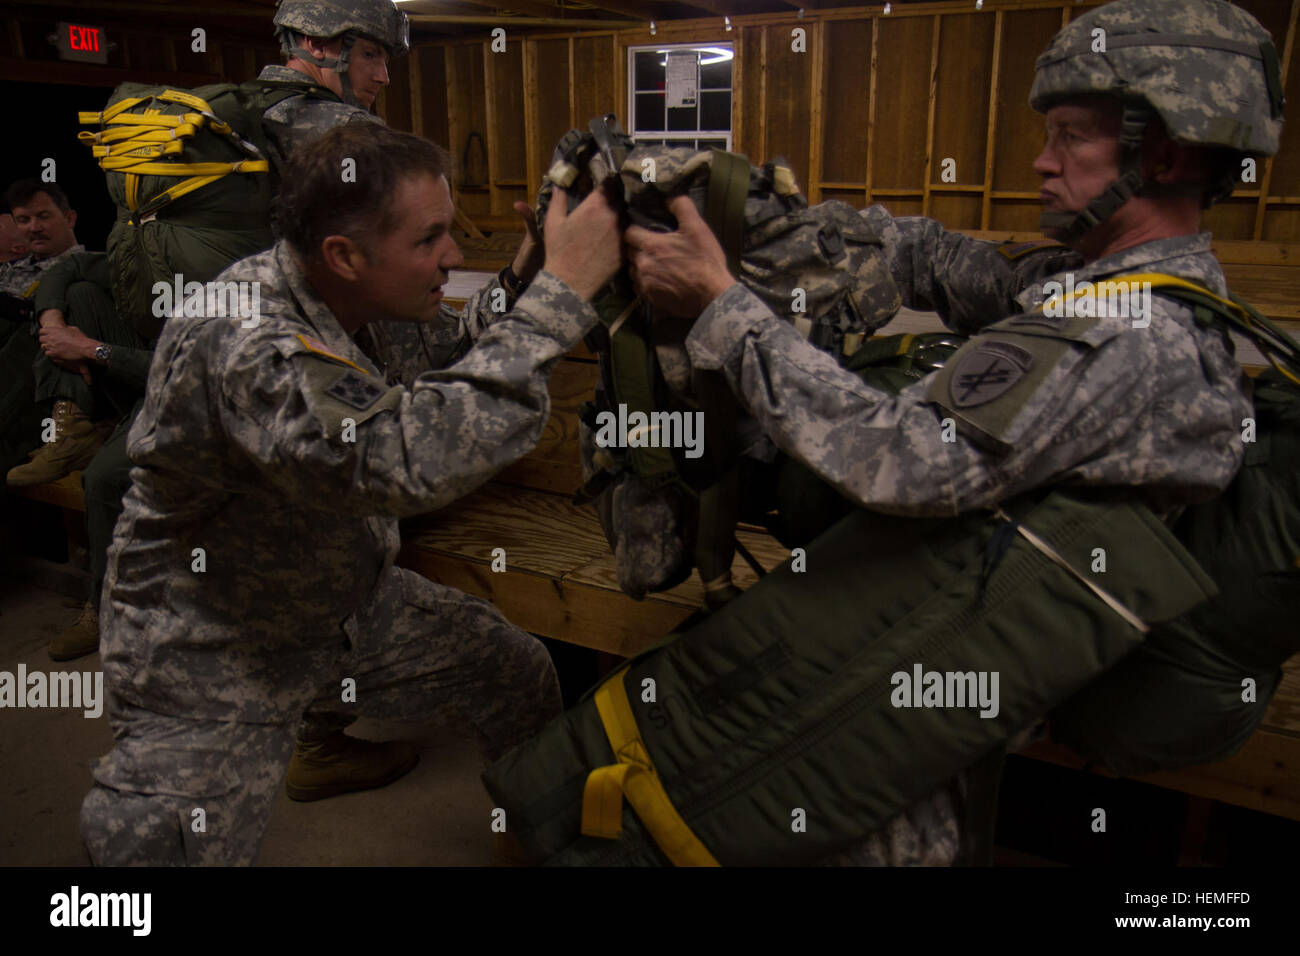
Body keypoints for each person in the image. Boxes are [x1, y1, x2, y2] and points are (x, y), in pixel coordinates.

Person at [620, 0, 1280, 865]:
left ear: (1167, 153)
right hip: (956, 618)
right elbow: (937, 256)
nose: (1042, 162)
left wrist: (722, 306)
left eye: (1072, 137)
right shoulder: (1094, 282)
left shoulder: (1131, 334)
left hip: (964, 660)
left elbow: (904, 459)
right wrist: (759, 218)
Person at [79, 122, 622, 865]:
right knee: (152, 861)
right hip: (211, 642)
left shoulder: (342, 294)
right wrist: (564, 296)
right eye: (430, 239)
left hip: (337, 603)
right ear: (345, 253)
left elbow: (451, 349)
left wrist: (528, 273)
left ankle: (541, 833)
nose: (454, 255)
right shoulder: (244, 334)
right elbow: (397, 459)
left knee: (513, 670)